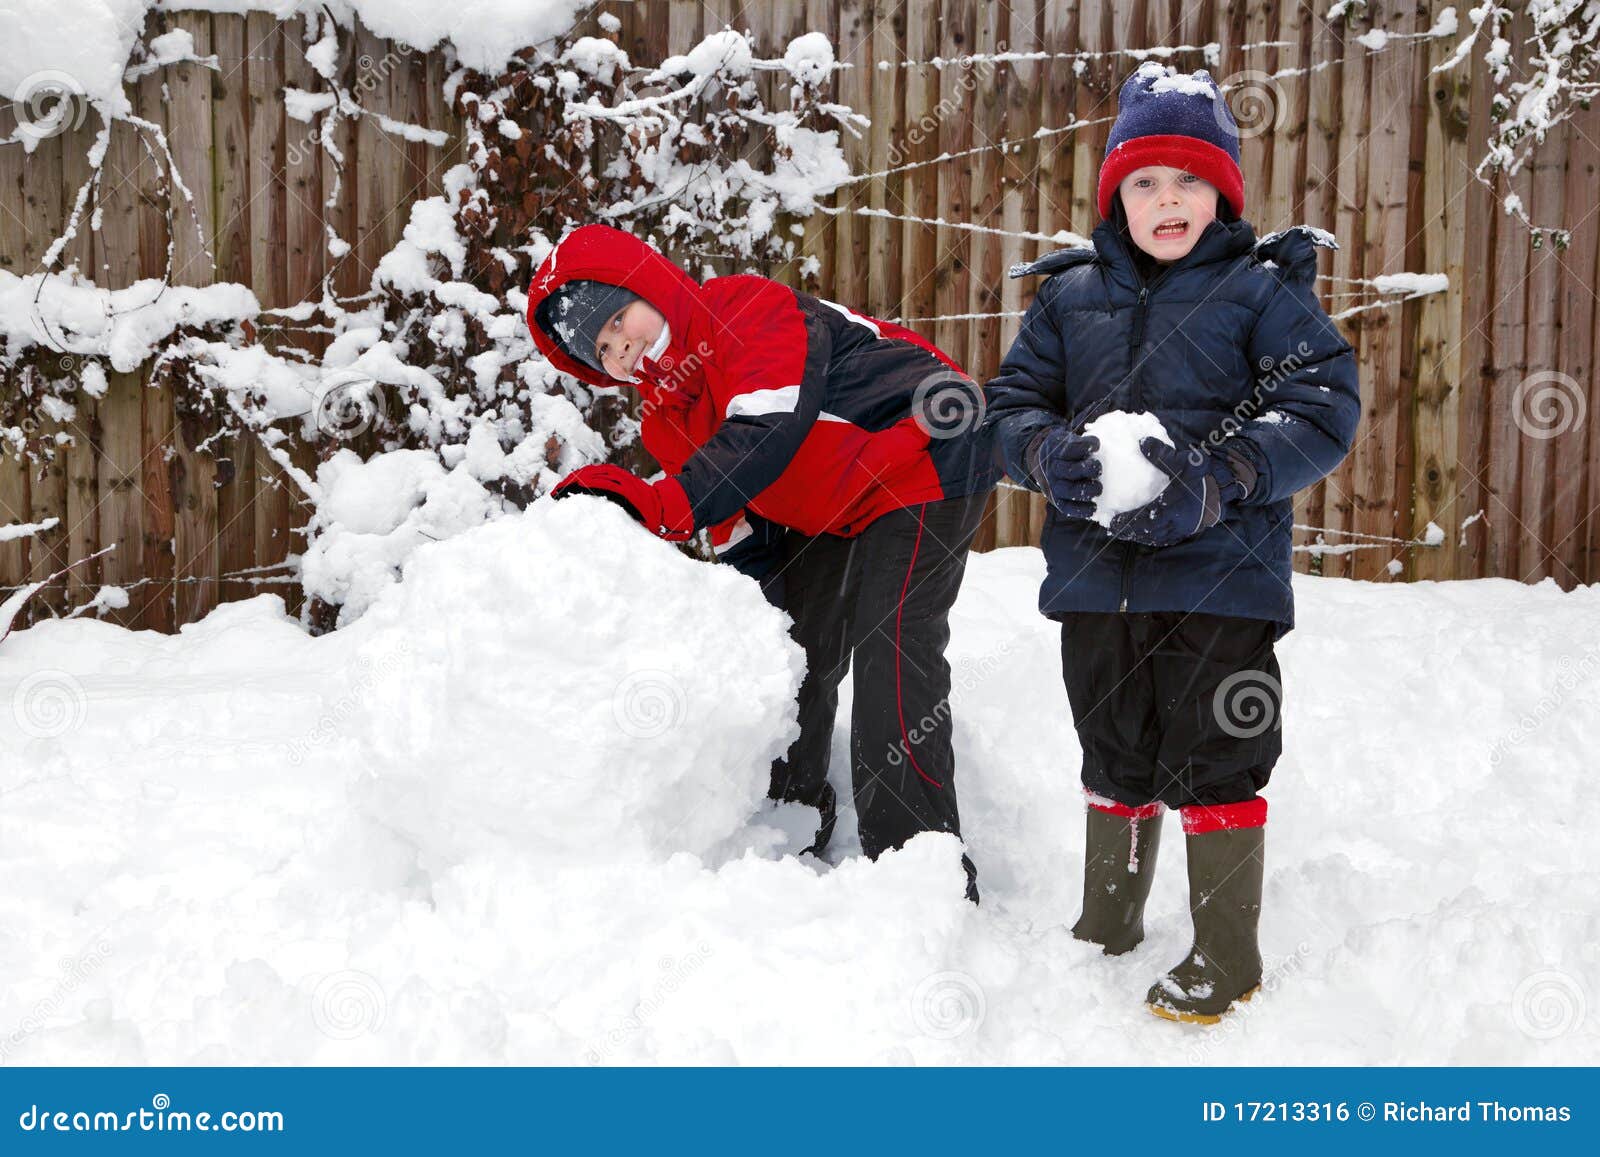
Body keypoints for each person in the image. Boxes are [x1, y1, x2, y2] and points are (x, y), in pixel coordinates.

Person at [984, 63, 1360, 1019]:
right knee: (1113, 742)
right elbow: (1008, 406)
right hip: (1097, 577)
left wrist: (1221, 479)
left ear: (1223, 191)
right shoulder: (1069, 299)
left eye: (1191, 180)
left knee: (1216, 750)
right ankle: (1107, 917)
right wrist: (1041, 454)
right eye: (1146, 181)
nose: (1168, 199)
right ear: (1116, 192)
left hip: (1222, 581)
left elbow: (1322, 404)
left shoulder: (1257, 292)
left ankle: (1226, 953)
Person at [525, 224, 999, 901]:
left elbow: (766, 428)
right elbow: (741, 531)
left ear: (647, 285)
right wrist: (762, 633)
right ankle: (791, 819)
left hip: (923, 450)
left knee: (891, 646)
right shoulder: (664, 421)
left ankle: (919, 873)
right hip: (832, 508)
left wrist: (660, 505)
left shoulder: (742, 309)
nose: (620, 345)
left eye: (617, 317)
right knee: (787, 652)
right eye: (600, 349)